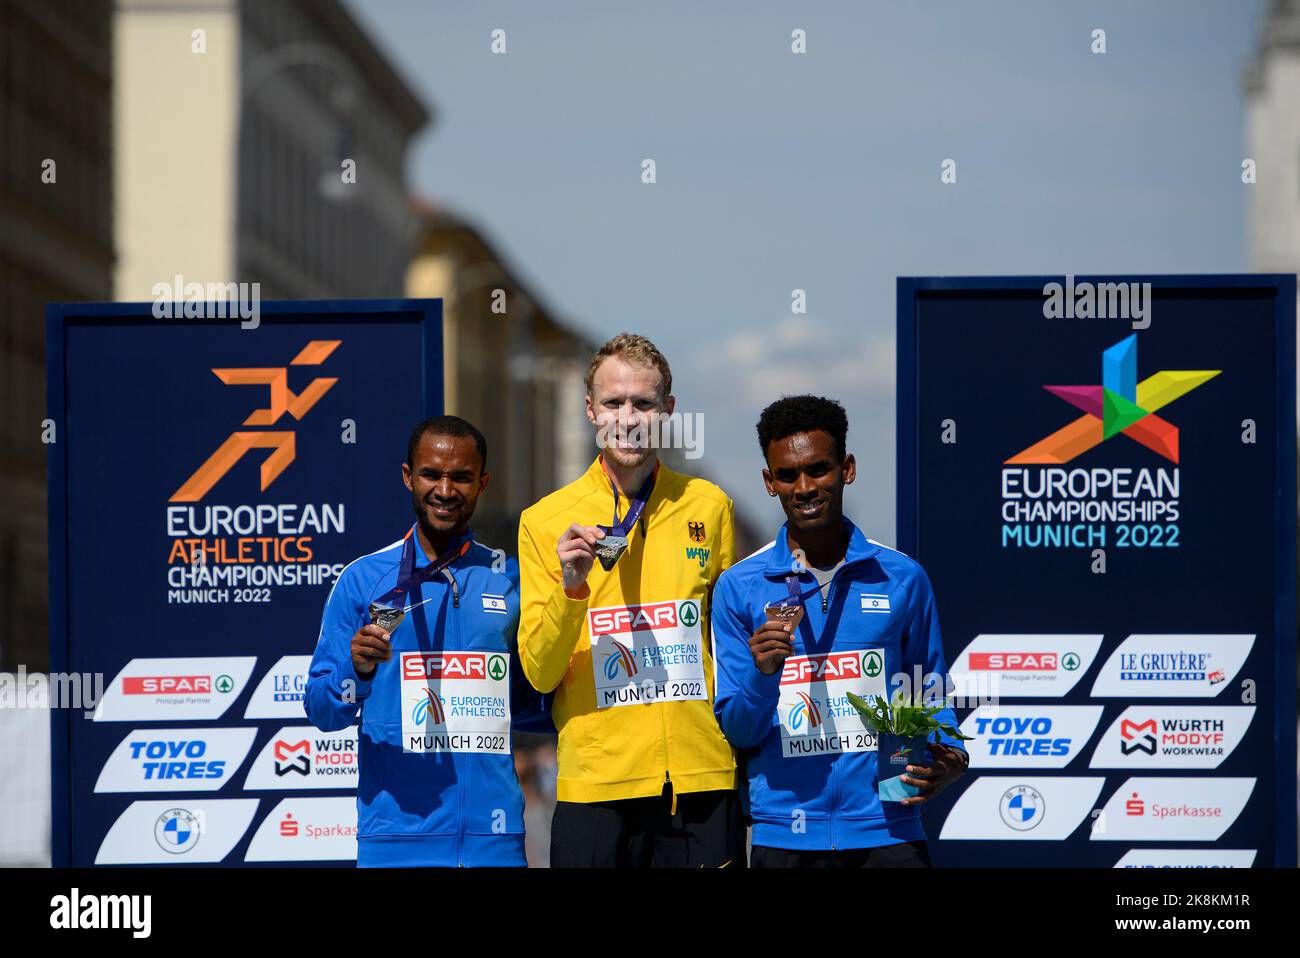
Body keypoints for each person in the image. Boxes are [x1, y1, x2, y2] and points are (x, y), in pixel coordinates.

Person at [711, 395, 968, 868]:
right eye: (788, 475)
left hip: (888, 832)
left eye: (819, 469)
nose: (805, 487)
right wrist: (763, 674)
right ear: (770, 482)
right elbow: (738, 731)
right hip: (786, 838)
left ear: (847, 469)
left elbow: (928, 697)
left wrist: (950, 756)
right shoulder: (738, 587)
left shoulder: (902, 577)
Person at [517, 333, 744, 867]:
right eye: (614, 402)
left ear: (667, 411)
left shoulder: (708, 507)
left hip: (699, 780)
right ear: (590, 410)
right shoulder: (545, 520)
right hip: (596, 786)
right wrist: (572, 589)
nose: (628, 417)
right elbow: (541, 673)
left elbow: (728, 646)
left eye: (643, 403)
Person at [305, 415, 551, 867]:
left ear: (482, 483)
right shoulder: (363, 580)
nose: (445, 489)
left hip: (493, 839)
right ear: (407, 477)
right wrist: (355, 671)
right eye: (431, 474)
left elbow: (532, 699)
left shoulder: (510, 577)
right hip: (396, 840)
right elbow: (322, 708)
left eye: (461, 477)